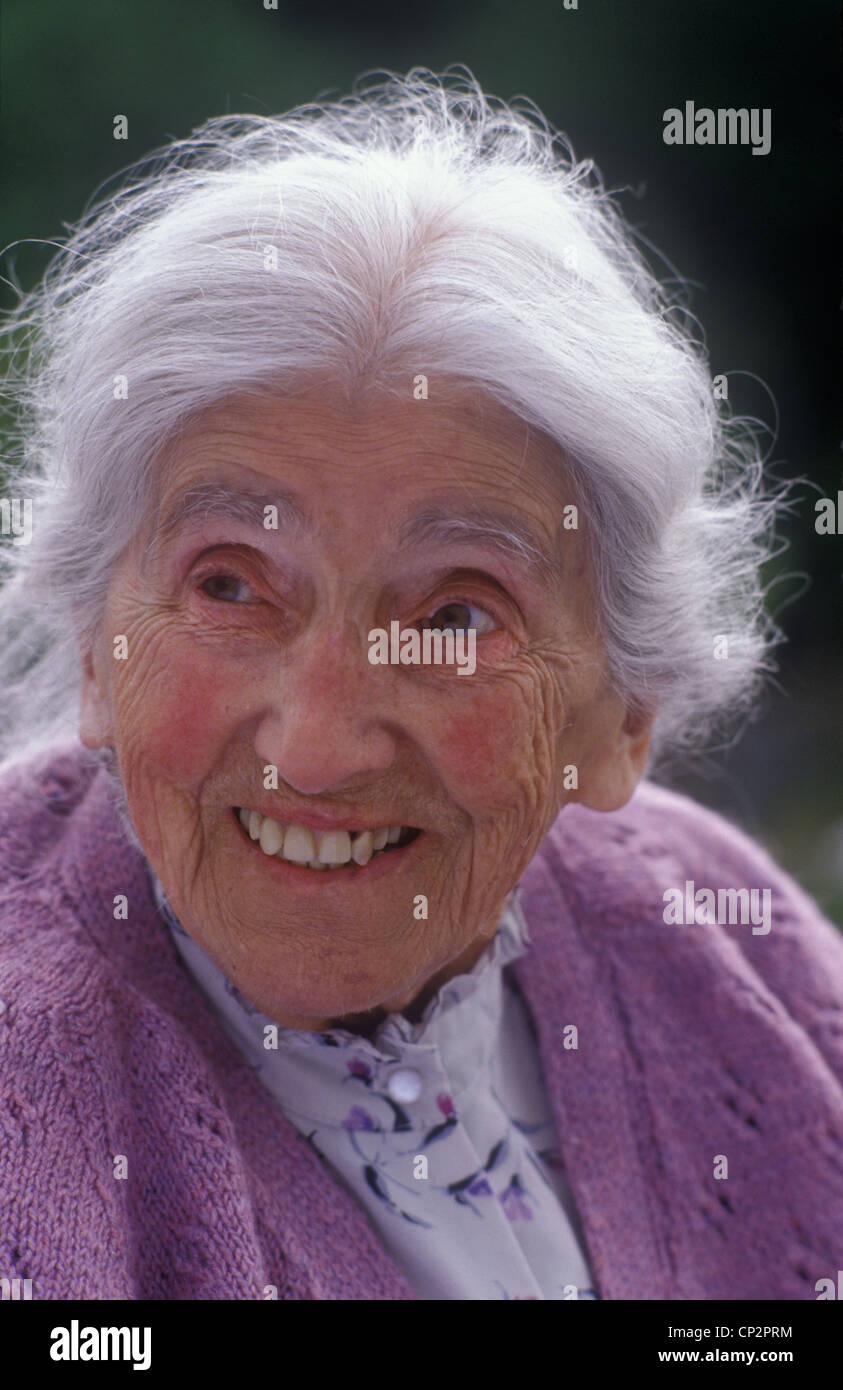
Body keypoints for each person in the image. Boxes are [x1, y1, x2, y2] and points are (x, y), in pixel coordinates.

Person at [1, 68, 841, 1301]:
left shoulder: (720, 932)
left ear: (625, 713)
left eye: (455, 614)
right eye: (230, 587)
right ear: (92, 643)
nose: (322, 743)